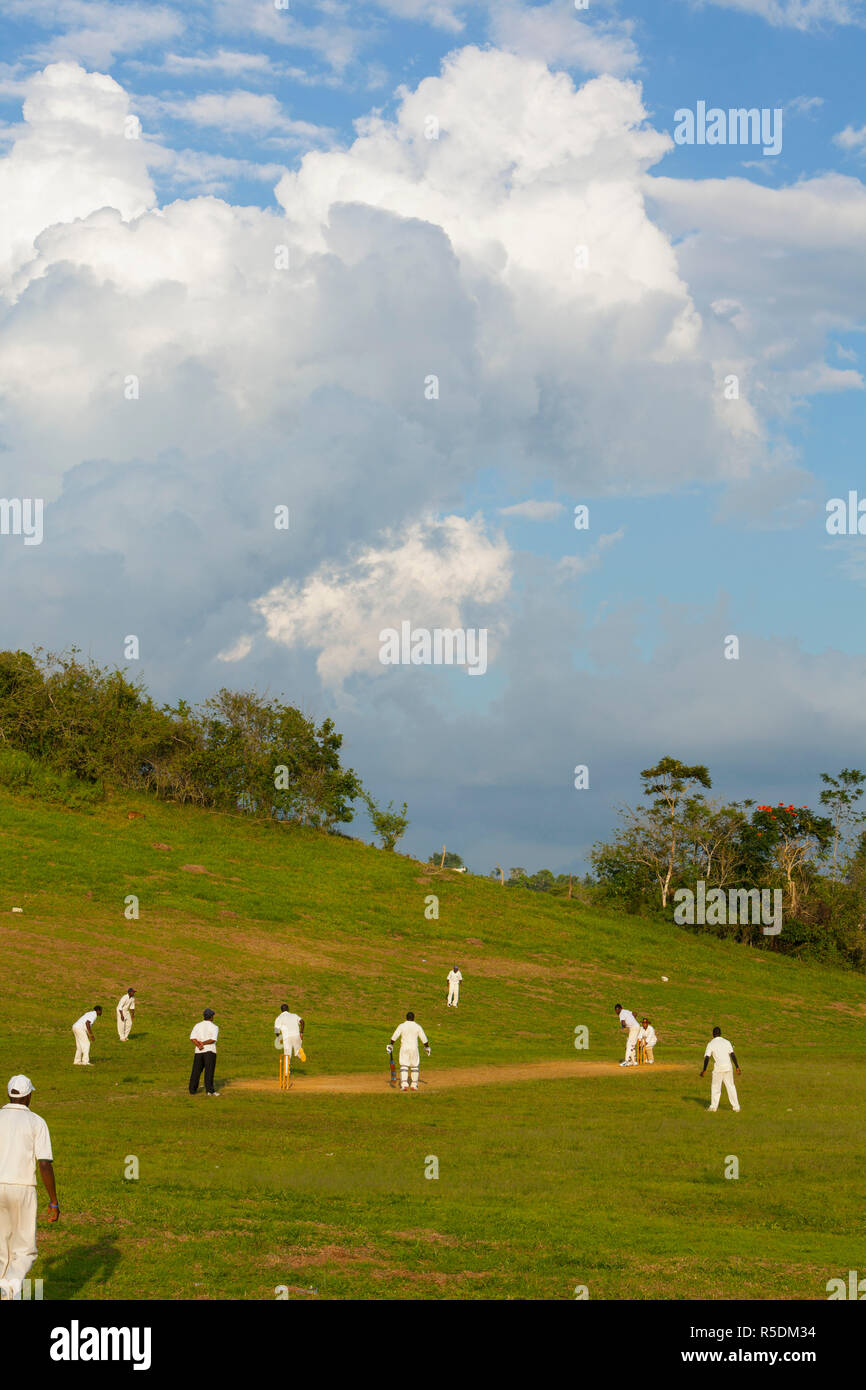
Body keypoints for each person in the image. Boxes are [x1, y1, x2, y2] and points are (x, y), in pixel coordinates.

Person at [0, 1076, 58, 1300]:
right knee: (24, 1250)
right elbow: (44, 1163)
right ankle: (11, 1290)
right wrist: (53, 1201)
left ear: (9, 1094)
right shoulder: (36, 1121)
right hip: (22, 1187)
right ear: (28, 1095)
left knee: (2, 1248)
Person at [700, 1026, 741, 1112]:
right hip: (728, 1067)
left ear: (713, 1034)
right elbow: (732, 1055)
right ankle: (736, 1107)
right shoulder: (727, 1042)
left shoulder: (711, 1044)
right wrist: (737, 1067)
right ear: (720, 1033)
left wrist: (704, 1070)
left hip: (718, 1069)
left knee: (715, 1087)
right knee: (731, 1087)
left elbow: (707, 1057)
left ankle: (713, 1107)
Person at [388, 1011, 430, 1092]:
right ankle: (414, 1085)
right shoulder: (417, 1026)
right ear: (413, 1018)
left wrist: (391, 1045)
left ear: (406, 1018)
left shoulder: (402, 1026)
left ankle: (404, 1085)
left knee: (404, 1065)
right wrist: (427, 1047)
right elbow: (423, 1038)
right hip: (414, 1048)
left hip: (404, 1048)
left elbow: (395, 1035)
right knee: (414, 1066)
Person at [189, 1009, 219, 1097]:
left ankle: (192, 1090)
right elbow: (213, 1039)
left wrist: (199, 1045)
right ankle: (210, 1091)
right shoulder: (214, 1027)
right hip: (210, 1051)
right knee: (209, 1071)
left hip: (199, 1051)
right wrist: (203, 1043)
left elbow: (192, 1038)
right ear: (211, 1017)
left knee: (196, 1071)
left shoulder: (197, 1025)